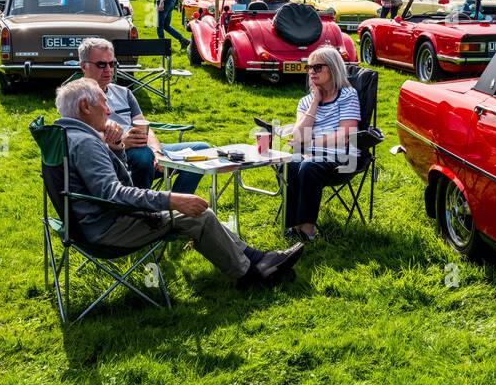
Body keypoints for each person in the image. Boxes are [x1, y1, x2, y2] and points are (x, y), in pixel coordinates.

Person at [49, 79, 303, 289]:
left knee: (199, 213)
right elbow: (114, 193)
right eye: (104, 104)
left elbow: (106, 187)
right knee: (197, 217)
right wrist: (172, 199)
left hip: (85, 225)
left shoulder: (64, 136)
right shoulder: (85, 142)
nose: (108, 111)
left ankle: (259, 260)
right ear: (85, 106)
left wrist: (115, 149)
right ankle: (252, 275)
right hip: (106, 230)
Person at [77, 38, 209, 193]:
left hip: (144, 150)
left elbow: (143, 126)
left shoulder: (124, 93)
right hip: (114, 157)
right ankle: (142, 211)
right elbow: (79, 139)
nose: (108, 69)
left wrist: (157, 151)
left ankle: (177, 207)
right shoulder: (76, 97)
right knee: (143, 155)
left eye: (112, 64)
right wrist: (120, 143)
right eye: (101, 64)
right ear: (83, 66)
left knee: (202, 150)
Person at [284, 46, 361, 242]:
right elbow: (298, 135)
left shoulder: (347, 95)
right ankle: (292, 226)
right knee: (289, 164)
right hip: (310, 154)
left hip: (342, 157)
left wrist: (310, 144)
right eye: (309, 67)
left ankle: (307, 231)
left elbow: (346, 134)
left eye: (317, 67)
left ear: (333, 68)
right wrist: (315, 102)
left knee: (308, 165)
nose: (311, 71)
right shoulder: (306, 101)